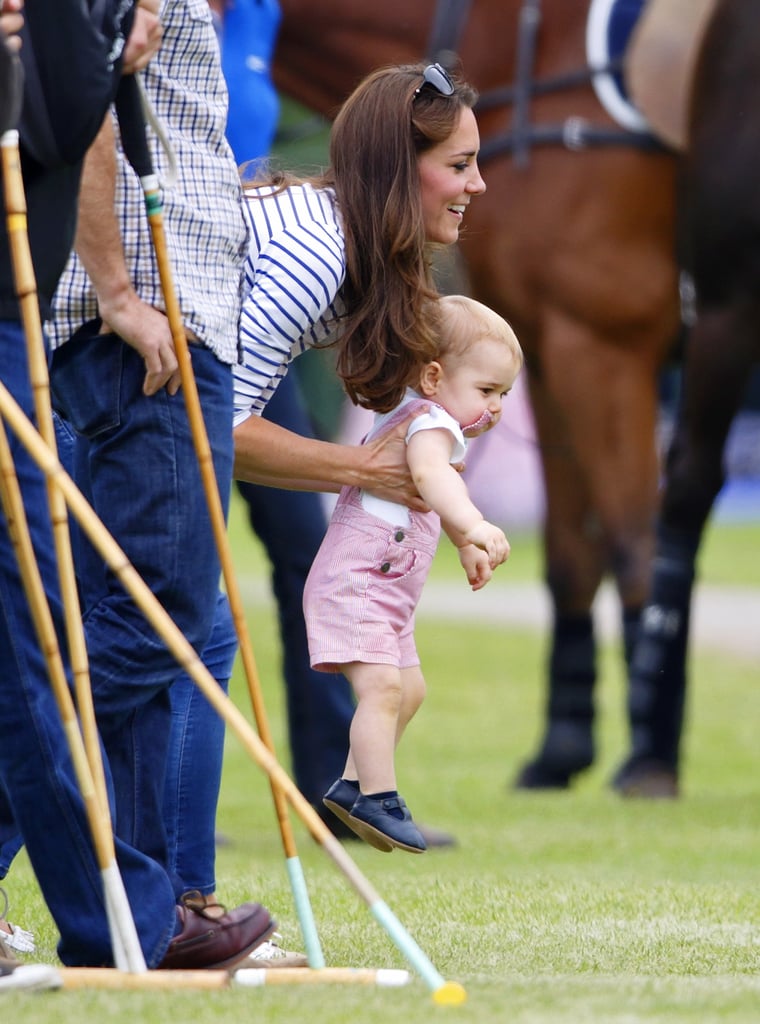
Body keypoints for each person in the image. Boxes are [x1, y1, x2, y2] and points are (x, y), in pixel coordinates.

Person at [0, 0, 273, 970]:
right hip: (148, 312)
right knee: (160, 608)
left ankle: (152, 903)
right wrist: (117, 289)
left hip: (167, 300)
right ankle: (127, 893)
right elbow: (87, 105)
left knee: (155, 619)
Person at [229, 60, 489, 841]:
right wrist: (359, 469)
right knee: (159, 642)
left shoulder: (359, 250)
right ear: (395, 172)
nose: (477, 186)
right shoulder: (317, 257)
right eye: (459, 166)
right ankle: (169, 902)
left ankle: (181, 897)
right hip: (79, 404)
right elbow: (210, 425)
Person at [207, 0, 359, 833]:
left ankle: (333, 791)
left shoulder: (260, 13)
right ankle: (154, 798)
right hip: (176, 307)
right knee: (184, 566)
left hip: (258, 306)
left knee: (305, 547)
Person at [305, 294, 523, 852]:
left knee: (411, 690)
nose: (496, 408)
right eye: (486, 390)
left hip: (387, 593)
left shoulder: (425, 421)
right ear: (432, 376)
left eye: (504, 395)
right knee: (382, 686)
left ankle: (353, 785)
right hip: (360, 584)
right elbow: (432, 478)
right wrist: (474, 524)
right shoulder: (429, 423)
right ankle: (376, 794)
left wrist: (461, 543)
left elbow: (429, 495)